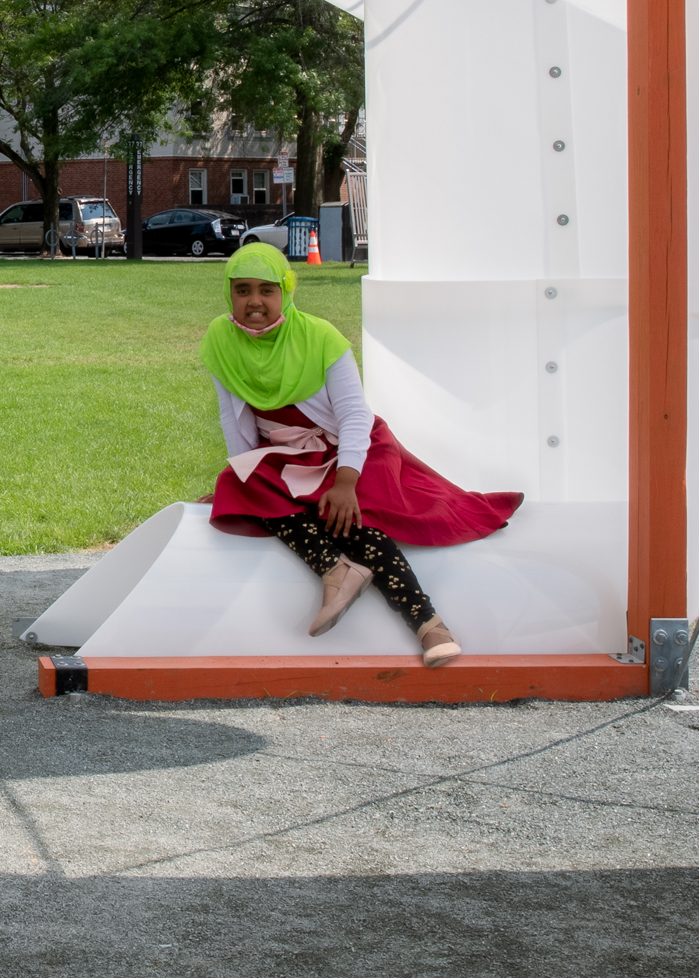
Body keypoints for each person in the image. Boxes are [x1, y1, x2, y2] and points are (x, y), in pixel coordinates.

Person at [200, 244, 518, 665]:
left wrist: (346, 481)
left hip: (352, 449)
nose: (254, 301)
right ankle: (335, 569)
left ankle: (427, 623)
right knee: (235, 481)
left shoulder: (320, 337)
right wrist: (246, 478)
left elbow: (354, 415)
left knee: (348, 516)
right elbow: (232, 417)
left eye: (266, 290)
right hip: (290, 455)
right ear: (229, 293)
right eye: (242, 290)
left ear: (286, 291)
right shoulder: (221, 339)